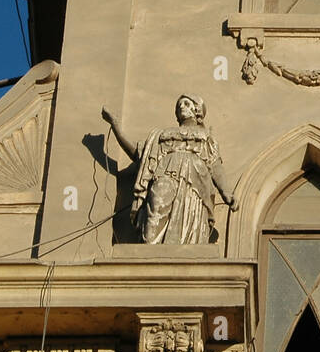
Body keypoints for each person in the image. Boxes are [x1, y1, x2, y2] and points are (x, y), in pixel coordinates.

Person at [101, 94, 237, 244]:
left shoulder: (206, 136)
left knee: (189, 215)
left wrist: (227, 193)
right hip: (165, 175)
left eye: (186, 103)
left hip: (196, 183)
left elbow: (215, 166)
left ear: (197, 110)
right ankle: (149, 251)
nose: (181, 107)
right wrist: (115, 125)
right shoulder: (159, 135)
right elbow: (138, 153)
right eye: (179, 105)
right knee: (157, 205)